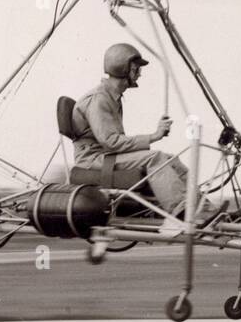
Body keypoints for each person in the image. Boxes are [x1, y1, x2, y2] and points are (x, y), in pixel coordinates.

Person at [70, 43, 218, 229]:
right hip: (93, 160)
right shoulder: (99, 99)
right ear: (123, 69)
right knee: (156, 158)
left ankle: (207, 211)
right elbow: (111, 142)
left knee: (169, 160)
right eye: (136, 69)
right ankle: (181, 212)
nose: (139, 73)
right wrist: (154, 136)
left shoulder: (110, 97)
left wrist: (152, 138)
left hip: (105, 157)